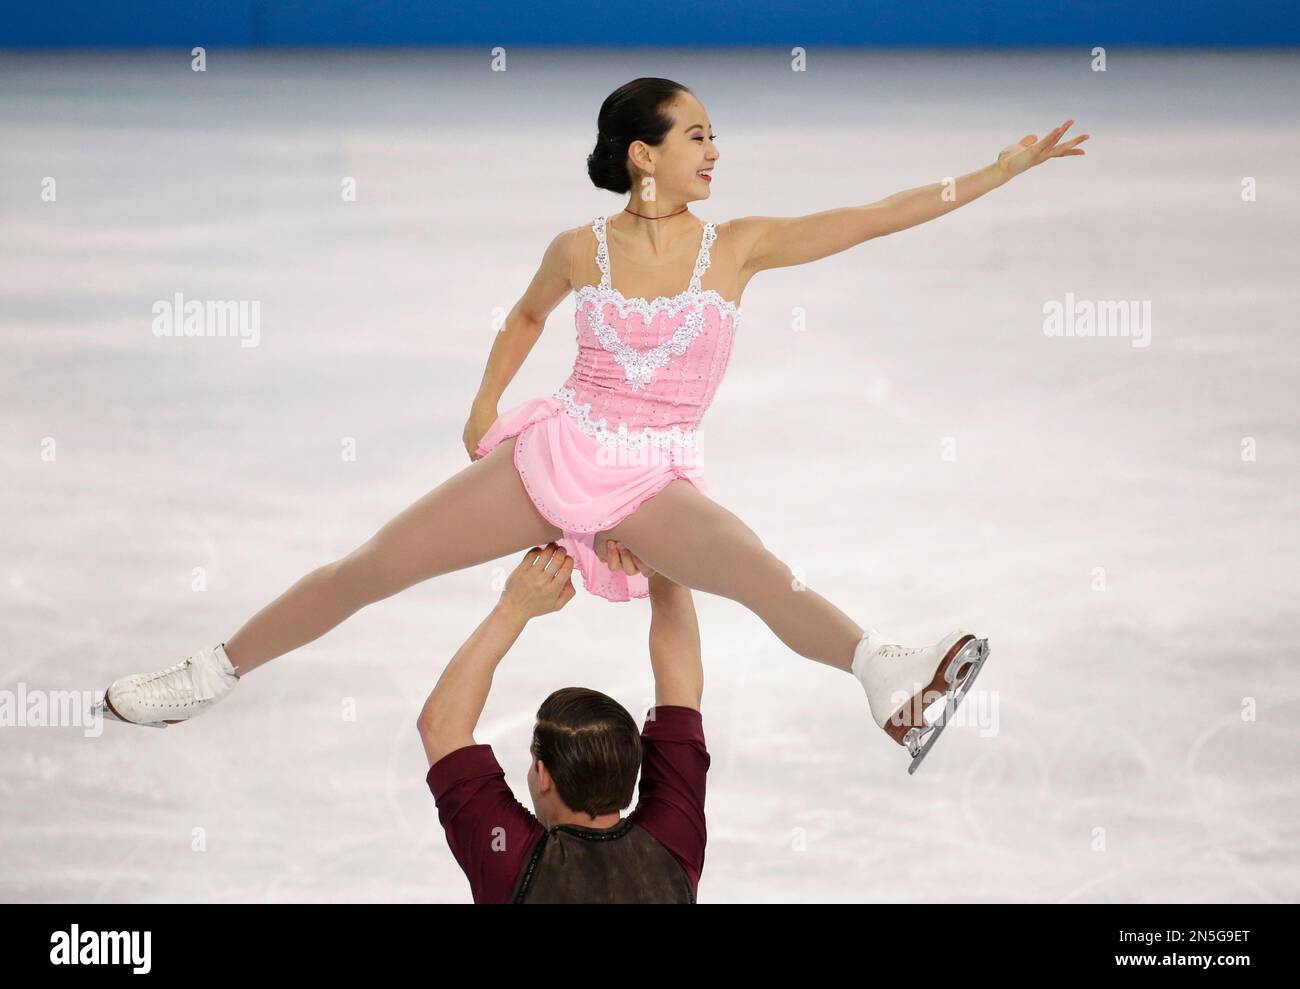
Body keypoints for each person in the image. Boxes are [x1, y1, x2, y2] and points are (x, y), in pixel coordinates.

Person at [99, 76, 1081, 770]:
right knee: (372, 565)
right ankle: (212, 670)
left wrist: (996, 171)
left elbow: (875, 215)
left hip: (651, 476)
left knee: (764, 577)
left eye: (713, 134)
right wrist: (486, 403)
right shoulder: (580, 248)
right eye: (697, 133)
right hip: (557, 450)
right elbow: (528, 315)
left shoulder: (739, 247)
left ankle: (883, 672)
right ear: (642, 153)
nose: (715, 149)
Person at [419, 542, 708, 903]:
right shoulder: (671, 844)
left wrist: (514, 608)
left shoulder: (514, 862)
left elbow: (441, 725)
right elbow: (681, 686)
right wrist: (660, 565)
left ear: (543, 774)